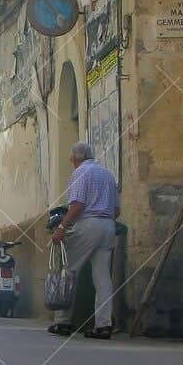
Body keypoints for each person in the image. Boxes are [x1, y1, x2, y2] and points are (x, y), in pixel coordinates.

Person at [48, 141, 120, 339]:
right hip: (108, 226)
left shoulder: (80, 173)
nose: (71, 162)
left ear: (75, 158)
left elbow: (78, 205)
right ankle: (104, 325)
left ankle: (62, 321)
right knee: (103, 278)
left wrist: (62, 227)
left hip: (88, 224)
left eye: (71, 159)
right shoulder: (108, 175)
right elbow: (117, 210)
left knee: (69, 271)